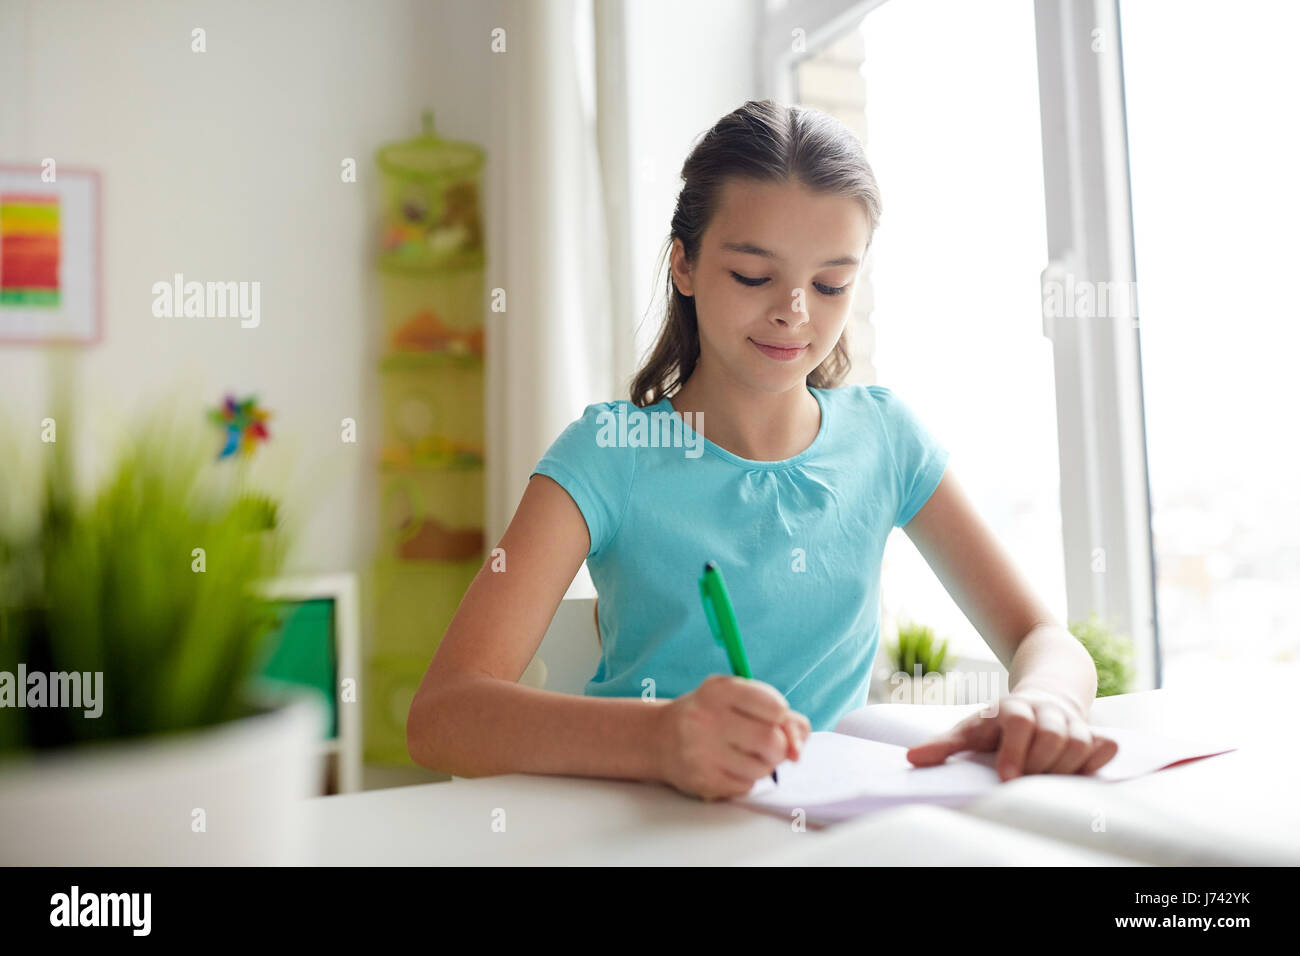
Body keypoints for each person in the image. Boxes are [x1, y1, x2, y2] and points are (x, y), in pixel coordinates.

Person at [407, 99, 1117, 801]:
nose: (794, 312)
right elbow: (443, 716)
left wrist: (1047, 700)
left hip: (827, 832)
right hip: (639, 835)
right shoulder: (608, 452)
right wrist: (659, 740)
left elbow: (1045, 640)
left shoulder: (885, 439)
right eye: (753, 275)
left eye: (831, 283)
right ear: (683, 265)